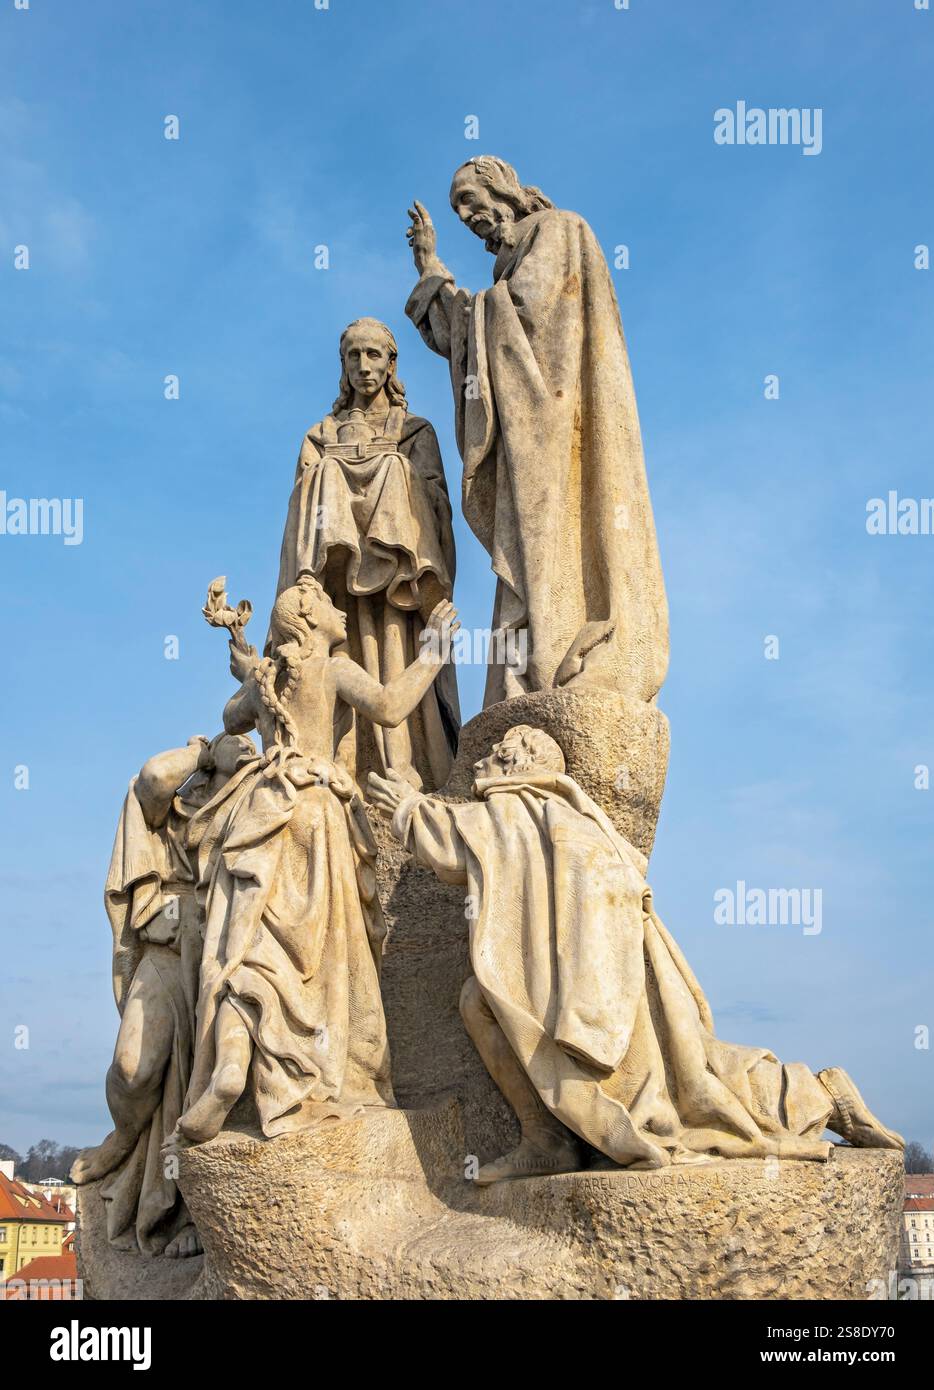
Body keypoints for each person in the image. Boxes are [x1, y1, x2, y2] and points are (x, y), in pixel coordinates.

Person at [368, 725, 904, 1182]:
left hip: (592, 998)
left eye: (491, 754)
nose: (481, 764)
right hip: (618, 982)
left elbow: (455, 841)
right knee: (694, 1075)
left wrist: (408, 807)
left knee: (688, 1091)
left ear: (516, 763)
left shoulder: (520, 812)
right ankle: (813, 1094)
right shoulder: (576, 819)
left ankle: (812, 1094)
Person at [166, 572, 460, 1149]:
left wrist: (249, 663)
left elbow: (231, 718)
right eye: (327, 602)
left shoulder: (270, 679)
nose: (338, 606)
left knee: (248, 955)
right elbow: (390, 706)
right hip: (317, 812)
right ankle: (322, 1072)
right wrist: (432, 655)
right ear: (311, 624)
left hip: (261, 812)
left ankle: (231, 1071)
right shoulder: (332, 667)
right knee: (323, 957)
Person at [405, 156, 669, 708]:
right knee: (522, 554)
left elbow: (529, 319)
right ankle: (523, 681)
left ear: (502, 189)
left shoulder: (559, 230)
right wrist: (432, 269)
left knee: (551, 544)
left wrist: (466, 302)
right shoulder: (508, 269)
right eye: (459, 211)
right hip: (527, 442)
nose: (469, 216)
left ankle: (556, 662)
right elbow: (472, 332)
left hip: (558, 431)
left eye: (472, 201)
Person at [71, 732, 257, 1255]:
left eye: (250, 746)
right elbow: (153, 778)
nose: (244, 748)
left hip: (229, 955)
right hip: (169, 953)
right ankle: (124, 1138)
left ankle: (188, 1211)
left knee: (219, 1082)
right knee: (133, 1068)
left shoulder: (254, 804)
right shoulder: (175, 810)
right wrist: (205, 748)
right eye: (234, 745)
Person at [275, 317, 460, 789]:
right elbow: (302, 504)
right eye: (352, 356)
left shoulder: (415, 432)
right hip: (334, 595)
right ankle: (342, 767)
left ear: (391, 363)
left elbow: (436, 506)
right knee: (325, 477)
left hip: (400, 582)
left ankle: (406, 767)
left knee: (396, 469)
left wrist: (391, 476)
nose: (363, 366)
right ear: (342, 366)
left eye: (373, 354)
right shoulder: (320, 436)